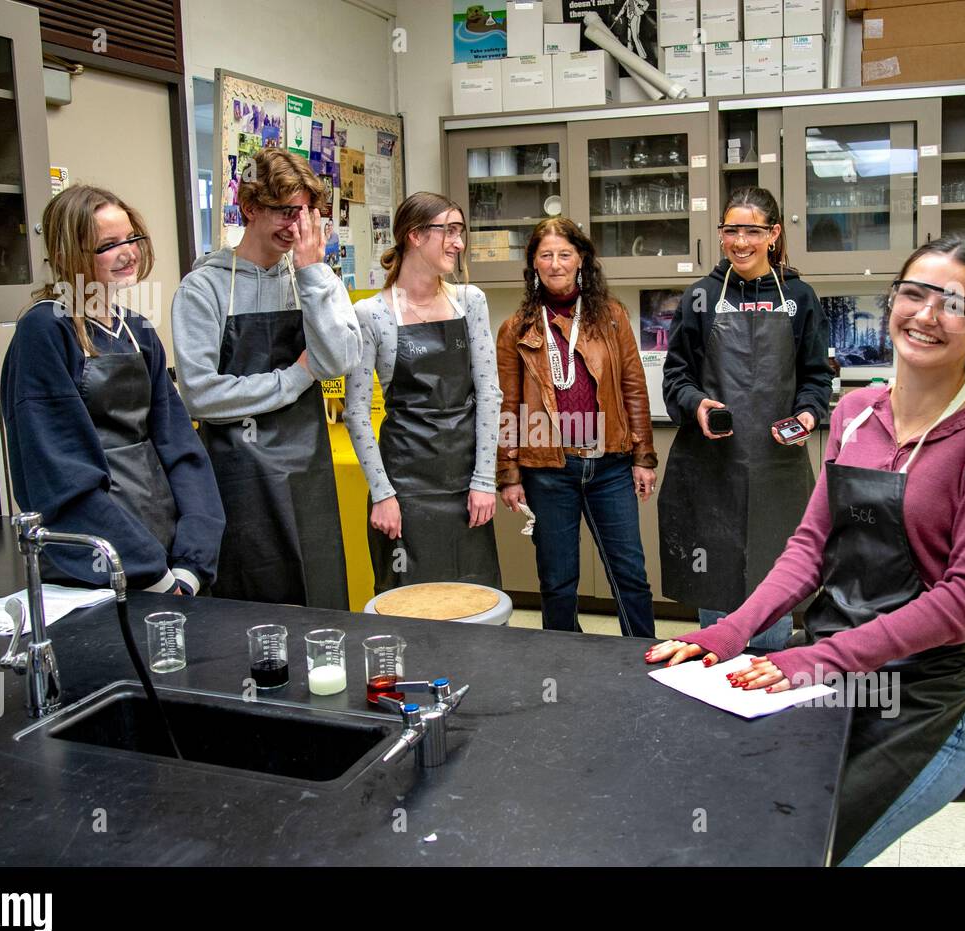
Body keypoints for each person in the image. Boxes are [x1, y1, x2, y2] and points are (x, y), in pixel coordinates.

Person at [647, 237, 965, 866]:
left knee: (807, 852)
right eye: (913, 294)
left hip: (920, 700)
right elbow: (808, 548)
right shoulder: (856, 413)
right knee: (736, 824)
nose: (926, 315)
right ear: (892, 305)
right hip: (833, 678)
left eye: (953, 304)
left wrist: (818, 660)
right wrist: (731, 632)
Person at [1, 185, 224, 594]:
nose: (128, 253)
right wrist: (150, 573)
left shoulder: (138, 330)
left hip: (171, 556)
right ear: (71, 253)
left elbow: (181, 449)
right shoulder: (45, 330)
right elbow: (60, 475)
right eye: (108, 245)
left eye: (131, 238)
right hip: (100, 565)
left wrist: (193, 561)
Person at [172, 147, 361, 609]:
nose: (296, 226)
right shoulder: (203, 289)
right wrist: (295, 378)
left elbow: (340, 360)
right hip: (240, 474)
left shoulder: (315, 277)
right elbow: (200, 394)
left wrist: (314, 273)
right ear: (250, 208)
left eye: (305, 213)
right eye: (284, 211)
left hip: (308, 468)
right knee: (256, 601)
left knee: (319, 594)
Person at [659, 186, 831, 650]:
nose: (740, 241)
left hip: (776, 469)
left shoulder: (799, 298)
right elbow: (675, 377)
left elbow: (817, 378)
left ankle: (765, 686)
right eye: (731, 230)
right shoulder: (701, 297)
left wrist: (808, 416)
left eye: (752, 231)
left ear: (773, 234)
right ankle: (716, 684)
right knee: (717, 583)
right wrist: (697, 404)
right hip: (712, 467)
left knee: (772, 586)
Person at [496, 217, 657, 638]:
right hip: (548, 469)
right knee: (558, 581)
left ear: (581, 259)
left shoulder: (612, 318)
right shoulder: (516, 329)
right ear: (533, 263)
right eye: (545, 255)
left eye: (564, 254)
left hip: (610, 465)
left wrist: (643, 457)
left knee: (630, 575)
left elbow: (634, 389)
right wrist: (509, 473)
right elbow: (508, 405)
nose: (555, 264)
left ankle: (645, 658)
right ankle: (563, 663)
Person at [346, 192, 501, 591]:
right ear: (414, 236)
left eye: (460, 231)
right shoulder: (372, 314)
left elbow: (489, 394)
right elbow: (356, 412)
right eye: (448, 230)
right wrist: (382, 493)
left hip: (465, 484)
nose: (459, 242)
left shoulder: (471, 302)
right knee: (407, 604)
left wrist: (484, 480)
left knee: (474, 599)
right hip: (405, 487)